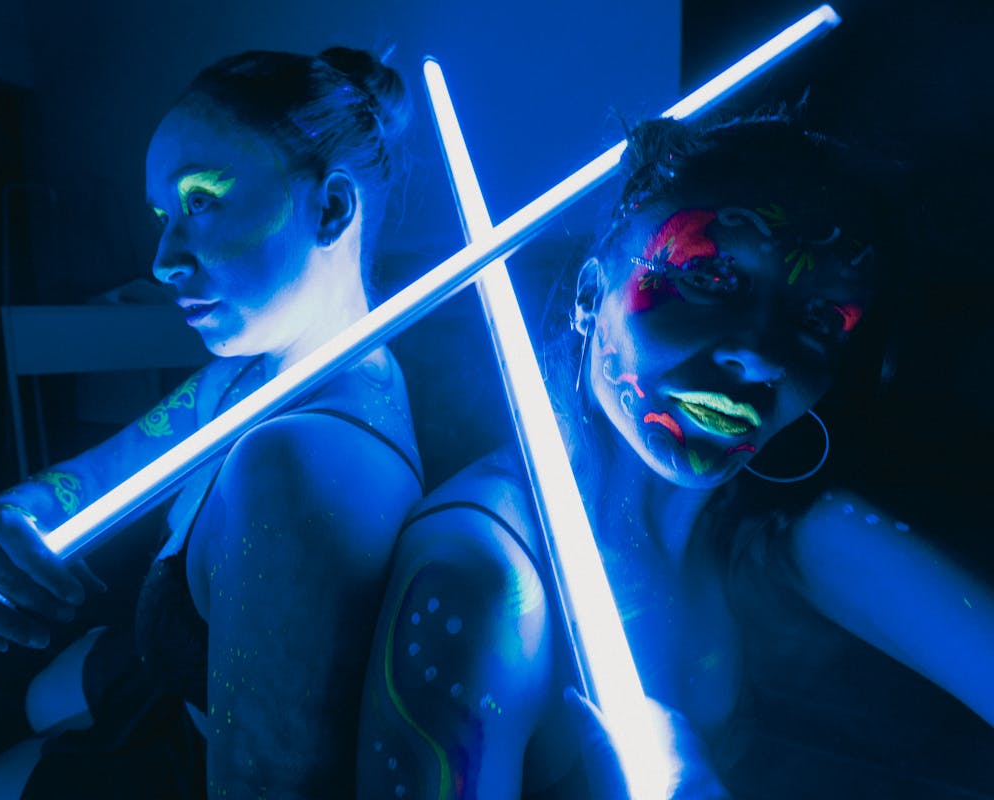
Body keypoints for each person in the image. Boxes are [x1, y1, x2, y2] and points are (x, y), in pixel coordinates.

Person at [355, 114, 994, 798]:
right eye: (710, 279)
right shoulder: (483, 580)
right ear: (590, 296)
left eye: (818, 320)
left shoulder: (764, 532)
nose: (761, 353)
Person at [0, 47, 424, 798]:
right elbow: (107, 468)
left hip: (187, 761)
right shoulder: (247, 375)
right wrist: (5, 516)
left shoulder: (298, 466)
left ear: (331, 209)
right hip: (170, 681)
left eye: (201, 200)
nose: (162, 260)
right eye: (164, 214)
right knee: (37, 698)